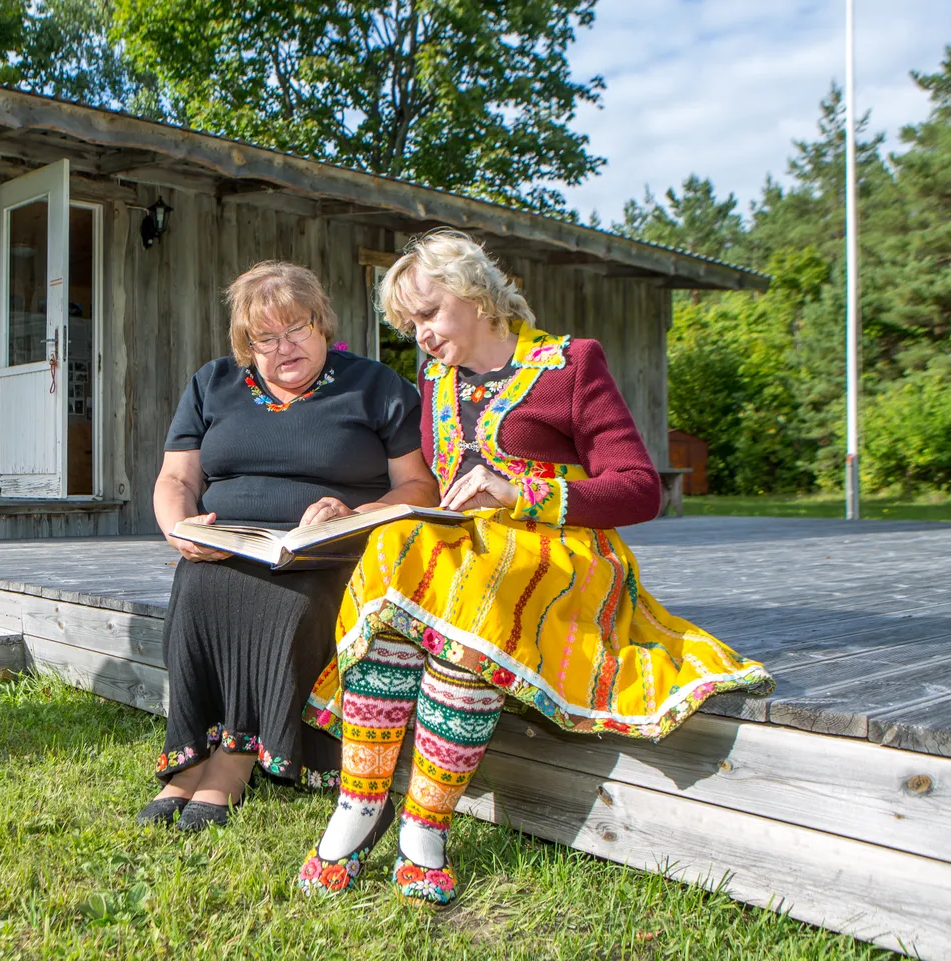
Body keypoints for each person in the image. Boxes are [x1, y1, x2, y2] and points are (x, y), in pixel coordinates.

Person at [295, 229, 773, 902]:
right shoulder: (436, 378)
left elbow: (639, 487)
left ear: (475, 292)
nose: (422, 336)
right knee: (394, 550)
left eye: (428, 314)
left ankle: (424, 826)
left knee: (479, 584)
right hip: (468, 546)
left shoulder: (572, 363)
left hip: (561, 549)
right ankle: (359, 805)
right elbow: (434, 487)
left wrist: (524, 493)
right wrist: (355, 509)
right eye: (409, 325)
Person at [137, 261, 440, 832]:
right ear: (247, 346)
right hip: (231, 540)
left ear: (322, 324)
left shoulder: (376, 387)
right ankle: (192, 755)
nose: (284, 347)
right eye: (266, 338)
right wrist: (180, 528)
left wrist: (354, 515)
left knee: (290, 599)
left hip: (326, 551)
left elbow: (419, 487)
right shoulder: (212, 383)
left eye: (296, 329)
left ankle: (232, 762)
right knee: (198, 583)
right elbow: (176, 478)